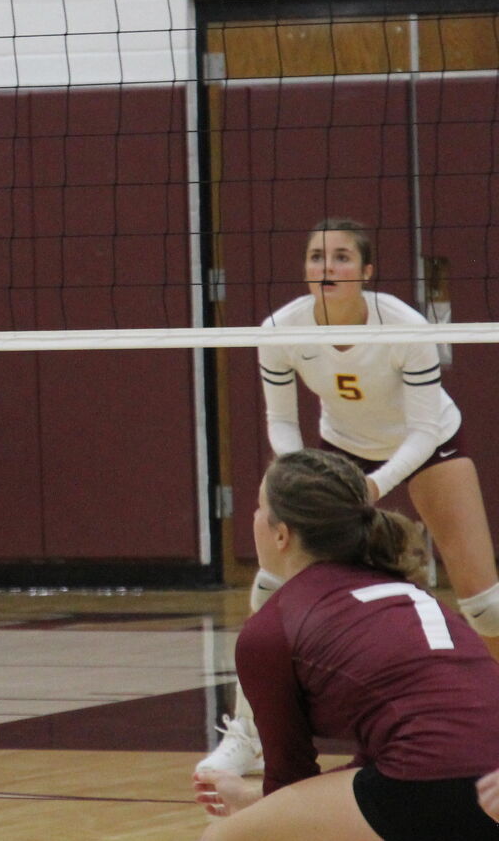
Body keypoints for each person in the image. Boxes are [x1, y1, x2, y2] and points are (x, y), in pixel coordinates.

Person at [201, 218, 499, 778]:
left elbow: (423, 428)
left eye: (340, 258)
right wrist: (294, 476)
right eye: (317, 258)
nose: (326, 268)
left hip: (429, 444)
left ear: (365, 272)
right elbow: (281, 421)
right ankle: (245, 737)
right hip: (342, 451)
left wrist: (377, 485)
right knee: (271, 586)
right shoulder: (282, 328)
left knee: (487, 604)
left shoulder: (404, 327)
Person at [193, 449, 499, 840]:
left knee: (223, 837)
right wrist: (250, 798)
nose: (254, 518)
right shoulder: (402, 590)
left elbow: (290, 777)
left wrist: (252, 808)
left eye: (258, 508)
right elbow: (381, 757)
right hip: (486, 786)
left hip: (432, 783)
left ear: (281, 534)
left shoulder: (271, 628)